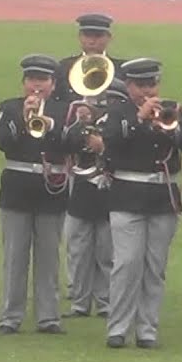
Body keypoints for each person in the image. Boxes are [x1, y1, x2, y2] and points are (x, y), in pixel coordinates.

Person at [102, 58, 182, 349]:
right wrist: (140, 119)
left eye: (151, 84)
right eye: (140, 85)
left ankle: (147, 329)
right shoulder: (118, 111)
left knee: (155, 266)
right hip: (127, 196)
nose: (147, 90)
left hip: (162, 198)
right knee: (127, 264)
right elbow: (112, 142)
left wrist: (173, 128)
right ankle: (117, 328)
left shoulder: (171, 107)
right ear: (128, 85)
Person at [0, 55, 69, 336]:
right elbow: (3, 142)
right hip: (17, 189)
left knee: (49, 256)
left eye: (43, 80)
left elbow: (73, 141)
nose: (37, 86)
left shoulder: (63, 110)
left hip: (51, 189)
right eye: (32, 80)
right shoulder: (10, 108)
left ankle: (48, 316)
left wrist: (48, 123)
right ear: (24, 83)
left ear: (52, 84)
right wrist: (24, 119)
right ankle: (10, 315)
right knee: (15, 256)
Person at [63, 78, 127, 319]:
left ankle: (105, 302)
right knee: (78, 250)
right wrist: (82, 121)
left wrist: (103, 145)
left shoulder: (118, 126)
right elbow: (67, 142)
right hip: (82, 191)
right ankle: (79, 302)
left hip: (110, 192)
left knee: (106, 251)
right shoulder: (83, 122)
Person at [53, 14, 127, 104]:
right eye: (87, 36)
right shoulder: (64, 67)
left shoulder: (122, 69)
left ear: (109, 38)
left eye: (98, 36)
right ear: (79, 37)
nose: (92, 41)